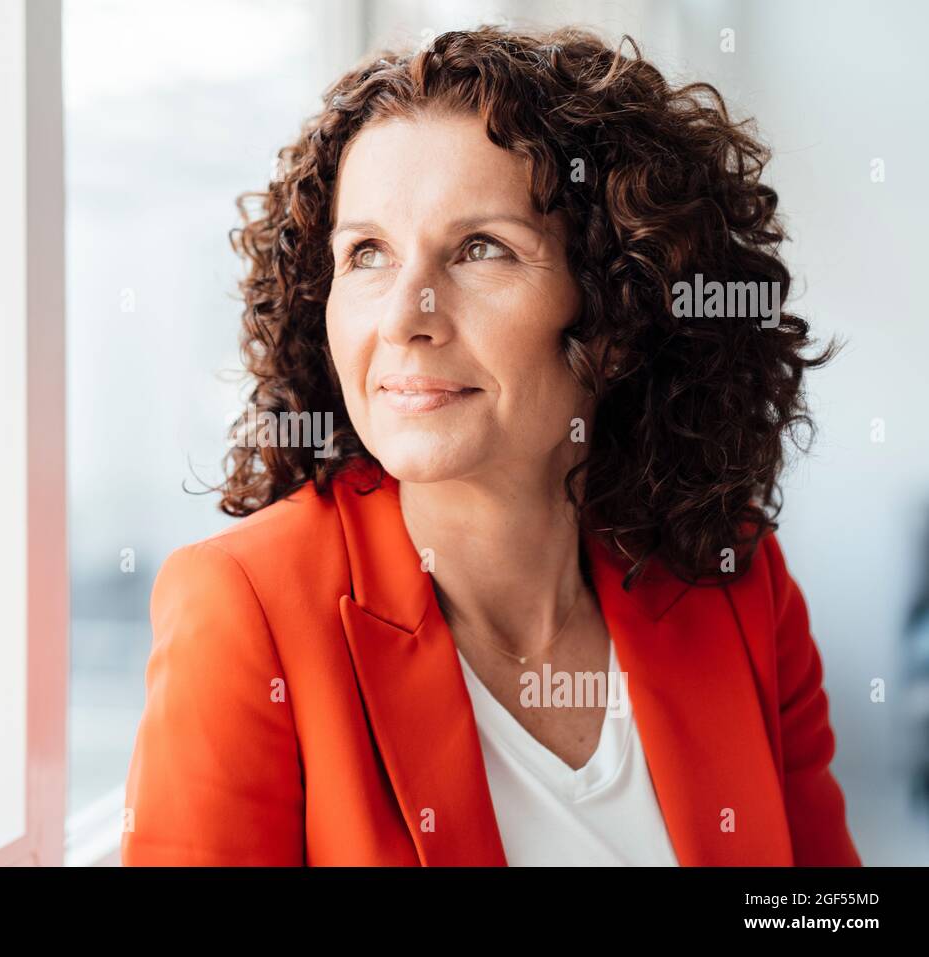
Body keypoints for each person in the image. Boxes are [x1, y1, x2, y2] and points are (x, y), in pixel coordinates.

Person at [121, 25, 860, 866]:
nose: (404, 317)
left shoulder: (734, 576)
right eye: (366, 254)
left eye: (481, 249)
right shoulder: (243, 607)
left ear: (619, 313)